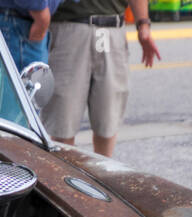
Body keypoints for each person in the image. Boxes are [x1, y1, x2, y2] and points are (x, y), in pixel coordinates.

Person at [41, 0, 160, 158]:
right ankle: (65, 178)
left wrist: (143, 24)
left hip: (112, 29)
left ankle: (103, 172)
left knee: (108, 120)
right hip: (68, 28)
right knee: (62, 121)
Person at [0, 0, 59, 118]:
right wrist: (41, 17)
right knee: (14, 120)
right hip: (18, 23)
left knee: (18, 116)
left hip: (20, 21)